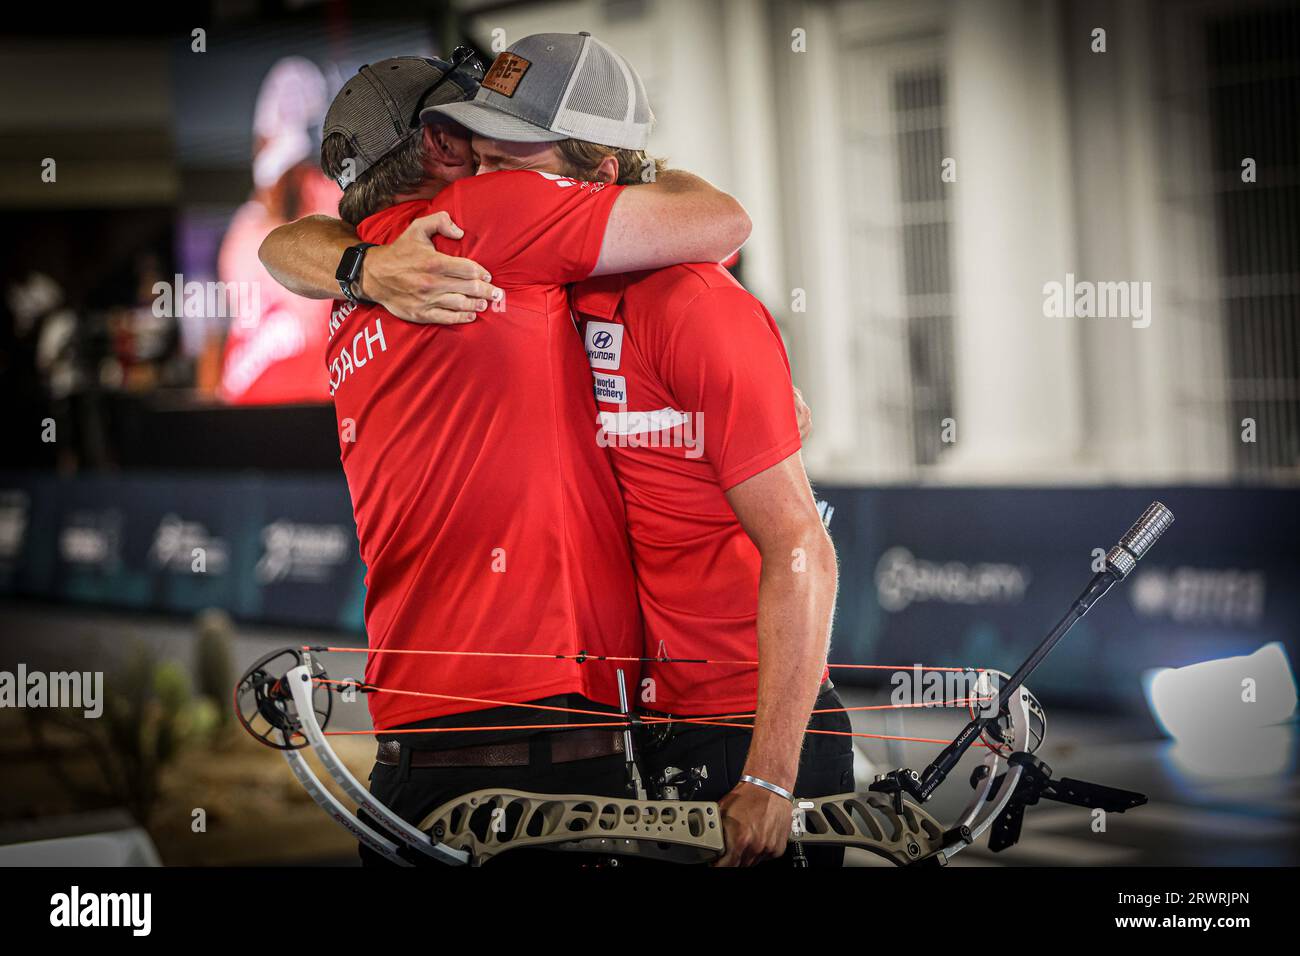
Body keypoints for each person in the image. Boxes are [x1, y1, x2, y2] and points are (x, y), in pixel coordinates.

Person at [260, 42, 751, 864]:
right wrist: (618, 160)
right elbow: (720, 219)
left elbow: (293, 239)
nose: (502, 146)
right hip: (539, 748)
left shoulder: (353, 287)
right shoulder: (486, 219)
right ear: (445, 146)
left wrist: (359, 265)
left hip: (411, 750)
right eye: (481, 126)